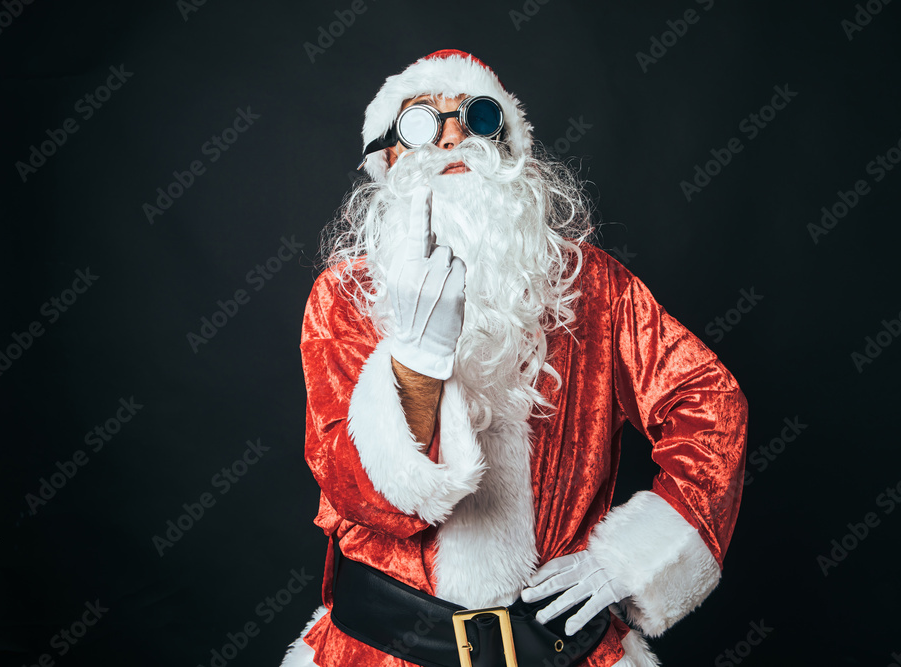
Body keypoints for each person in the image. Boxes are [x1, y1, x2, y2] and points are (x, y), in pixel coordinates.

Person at [280, 49, 748, 667]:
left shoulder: (594, 286)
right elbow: (358, 496)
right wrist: (418, 362)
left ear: (507, 149)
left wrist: (632, 558)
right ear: (389, 158)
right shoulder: (345, 298)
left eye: (476, 118)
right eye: (421, 122)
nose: (451, 137)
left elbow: (710, 405)